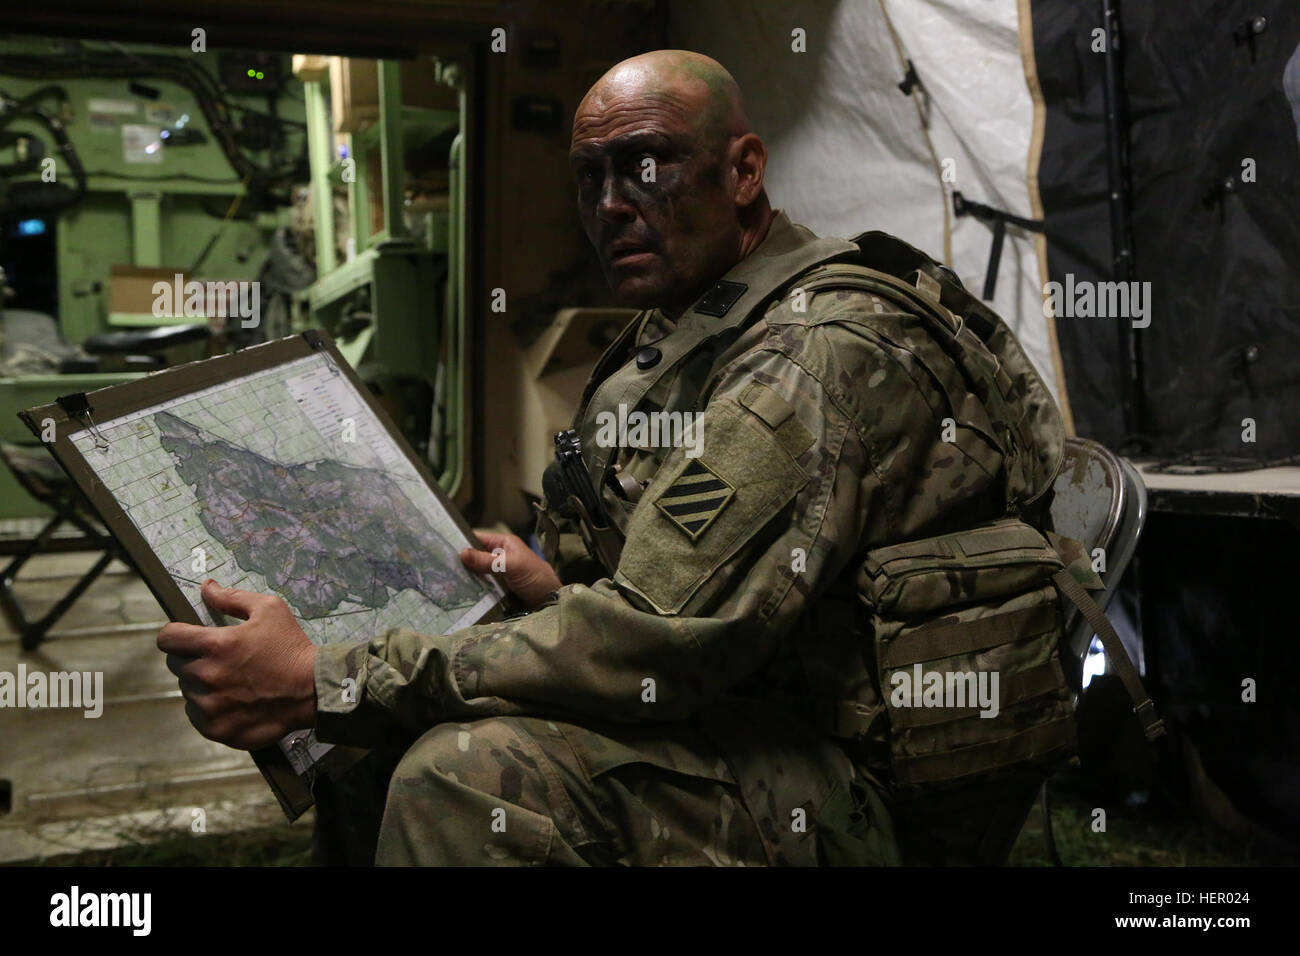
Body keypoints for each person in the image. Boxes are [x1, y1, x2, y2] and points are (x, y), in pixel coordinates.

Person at [157, 49, 1061, 865]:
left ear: (744, 171)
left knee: (464, 771)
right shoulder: (698, 321)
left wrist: (324, 677)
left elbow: (654, 642)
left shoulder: (810, 354)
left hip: (857, 791)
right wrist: (552, 596)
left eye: (647, 165)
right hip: (753, 709)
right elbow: (693, 606)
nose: (611, 206)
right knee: (379, 741)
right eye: (589, 177)